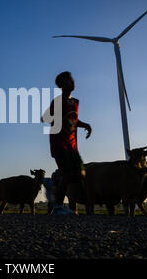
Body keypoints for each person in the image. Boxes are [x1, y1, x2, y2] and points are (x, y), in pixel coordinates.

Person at [42, 71, 92, 215]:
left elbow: (74, 121)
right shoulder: (58, 101)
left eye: (72, 79)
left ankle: (53, 183)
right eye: (68, 80)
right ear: (61, 85)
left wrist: (86, 125)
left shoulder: (75, 102)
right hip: (59, 143)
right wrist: (59, 119)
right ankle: (57, 206)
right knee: (68, 175)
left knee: (81, 174)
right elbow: (45, 118)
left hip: (72, 146)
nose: (72, 82)